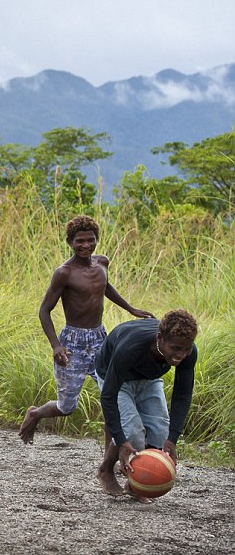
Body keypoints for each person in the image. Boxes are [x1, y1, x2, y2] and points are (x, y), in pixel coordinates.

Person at [19, 215, 153, 444]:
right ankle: (36, 413)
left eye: (90, 240)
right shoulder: (65, 272)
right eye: (80, 241)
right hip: (72, 344)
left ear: (97, 240)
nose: (86, 245)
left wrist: (131, 309)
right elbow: (44, 311)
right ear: (70, 242)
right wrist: (56, 346)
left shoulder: (102, 263)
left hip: (101, 340)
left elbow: (105, 287)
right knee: (66, 407)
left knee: (112, 400)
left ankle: (110, 461)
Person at [96, 310, 197, 502]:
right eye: (175, 348)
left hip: (149, 378)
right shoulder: (130, 348)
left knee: (160, 432)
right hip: (116, 377)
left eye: (186, 349)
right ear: (159, 338)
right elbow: (109, 396)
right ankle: (106, 469)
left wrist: (172, 439)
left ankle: (137, 483)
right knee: (132, 433)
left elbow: (182, 395)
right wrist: (121, 439)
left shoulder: (187, 352)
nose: (181, 355)